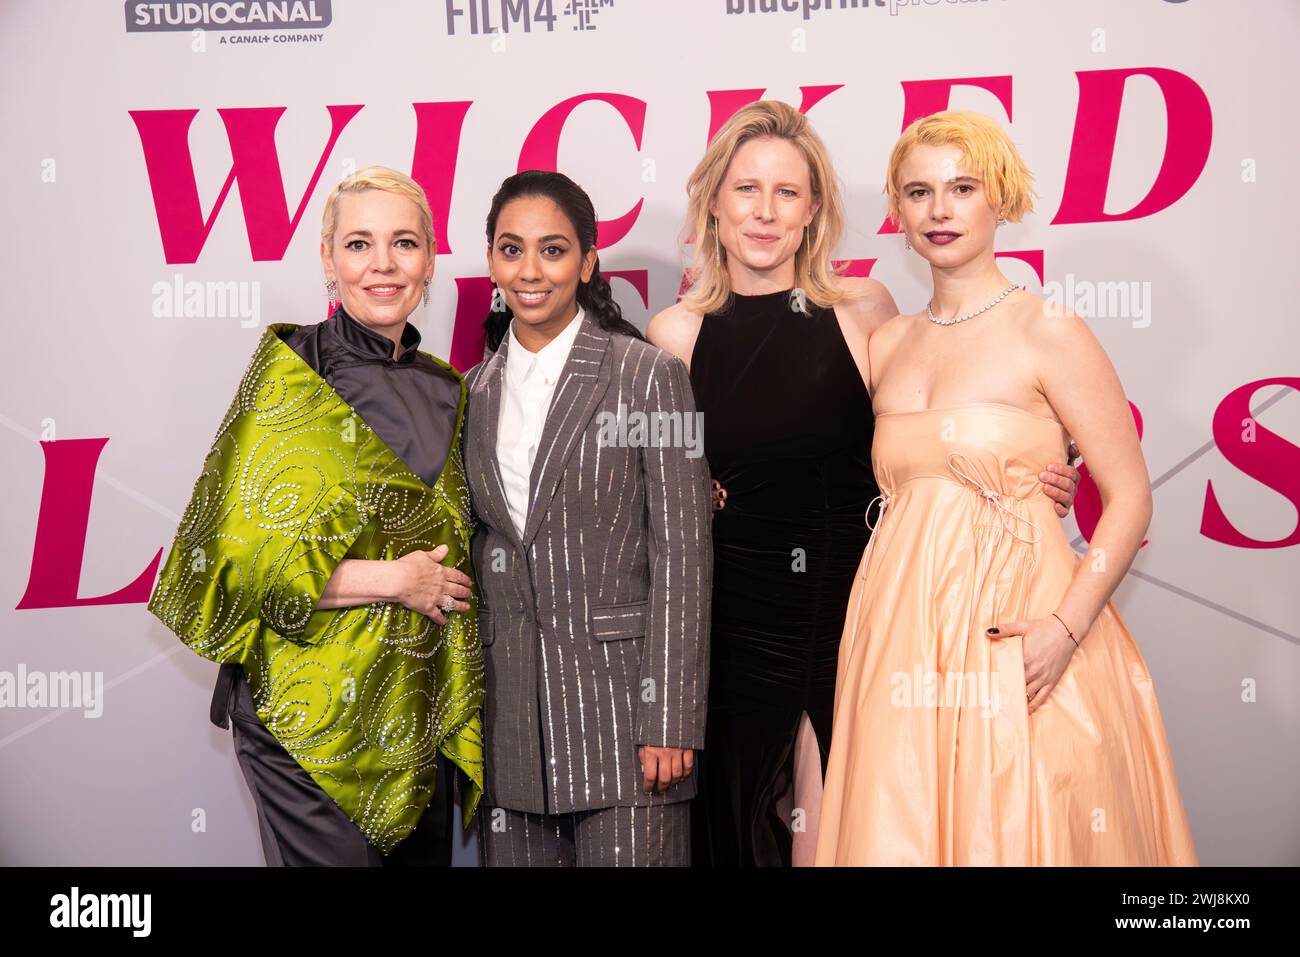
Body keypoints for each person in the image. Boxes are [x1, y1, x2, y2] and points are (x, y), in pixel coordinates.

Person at [649, 101, 1083, 867]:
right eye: (746, 188)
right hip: (732, 635)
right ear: (713, 200)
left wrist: (1034, 474)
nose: (765, 211)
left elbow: (933, 428)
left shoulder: (865, 311)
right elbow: (653, 497)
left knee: (850, 839)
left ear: (814, 210)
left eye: (787, 192)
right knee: (741, 841)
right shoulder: (674, 335)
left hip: (863, 623)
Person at [815, 111, 1198, 865]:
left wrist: (1066, 626)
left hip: (1021, 624)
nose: (940, 210)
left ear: (999, 198)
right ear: (900, 210)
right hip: (897, 627)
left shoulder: (1047, 327)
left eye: (962, 187)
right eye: (919, 192)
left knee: (1021, 826)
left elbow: (1129, 497)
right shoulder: (887, 340)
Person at [148, 166, 483, 866]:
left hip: (411, 713)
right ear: (328, 261)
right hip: (301, 720)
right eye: (359, 244)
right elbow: (232, 566)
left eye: (404, 243)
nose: (383, 265)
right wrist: (395, 581)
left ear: (429, 259)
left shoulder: (450, 389)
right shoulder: (293, 372)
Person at [463, 170, 712, 867]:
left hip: (629, 729)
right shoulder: (471, 393)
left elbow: (685, 555)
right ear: (491, 261)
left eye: (553, 249)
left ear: (588, 260)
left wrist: (672, 718)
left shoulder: (649, 375)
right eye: (512, 250)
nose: (531, 270)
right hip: (511, 738)